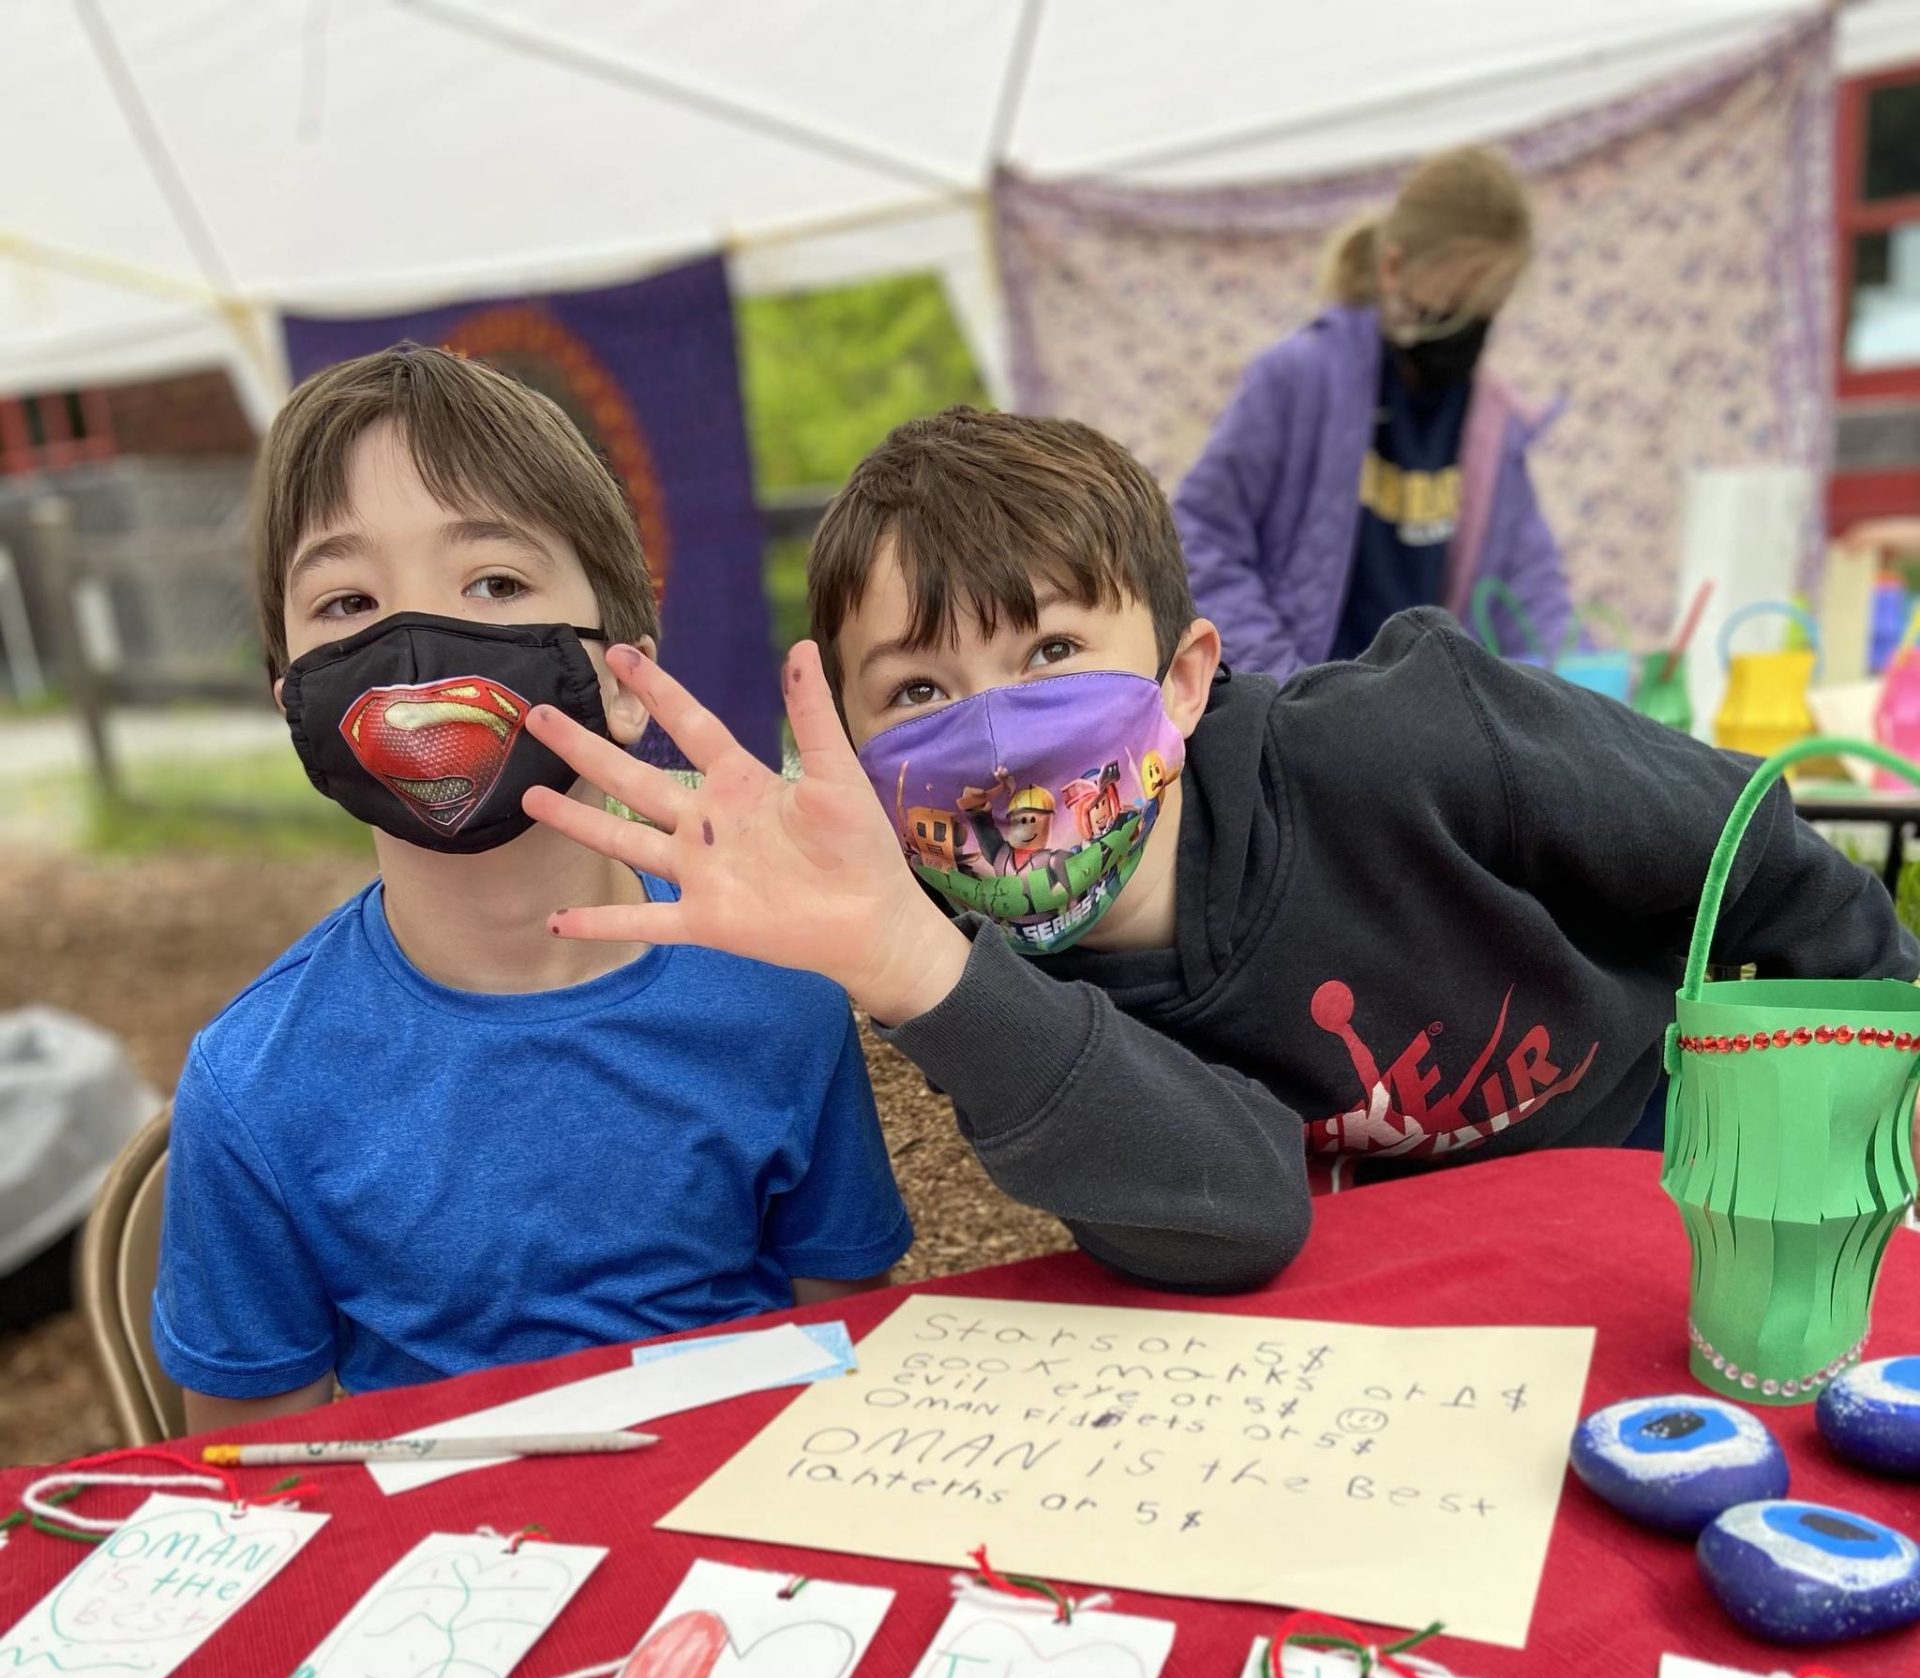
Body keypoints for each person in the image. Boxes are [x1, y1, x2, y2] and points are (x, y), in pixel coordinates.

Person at [513, 406, 1918, 1294]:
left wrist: (1877, 1143)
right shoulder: (978, 971)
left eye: (1053, 651)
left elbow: (1766, 861)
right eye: (920, 693)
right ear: (866, 762)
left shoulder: (1417, 735)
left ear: (1183, 680)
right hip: (1413, 1313)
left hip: (1668, 1188)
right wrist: (912, 968)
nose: (996, 737)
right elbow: (1237, 1217)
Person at [154, 344, 910, 1431]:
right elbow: (260, 1474)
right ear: (292, 703)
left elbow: (846, 1353)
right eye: (347, 599)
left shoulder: (777, 990)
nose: (413, 652)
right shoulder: (253, 1084)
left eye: (495, 581)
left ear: (626, 677)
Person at [1173, 147, 1569, 680]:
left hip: (1421, 729)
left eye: (1489, 307)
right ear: (1393, 268)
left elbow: (1533, 598)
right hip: (1300, 714)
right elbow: (1201, 536)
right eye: (1453, 301)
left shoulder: (1492, 425)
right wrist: (1285, 687)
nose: (1469, 325)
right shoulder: (1298, 380)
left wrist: (1557, 697)